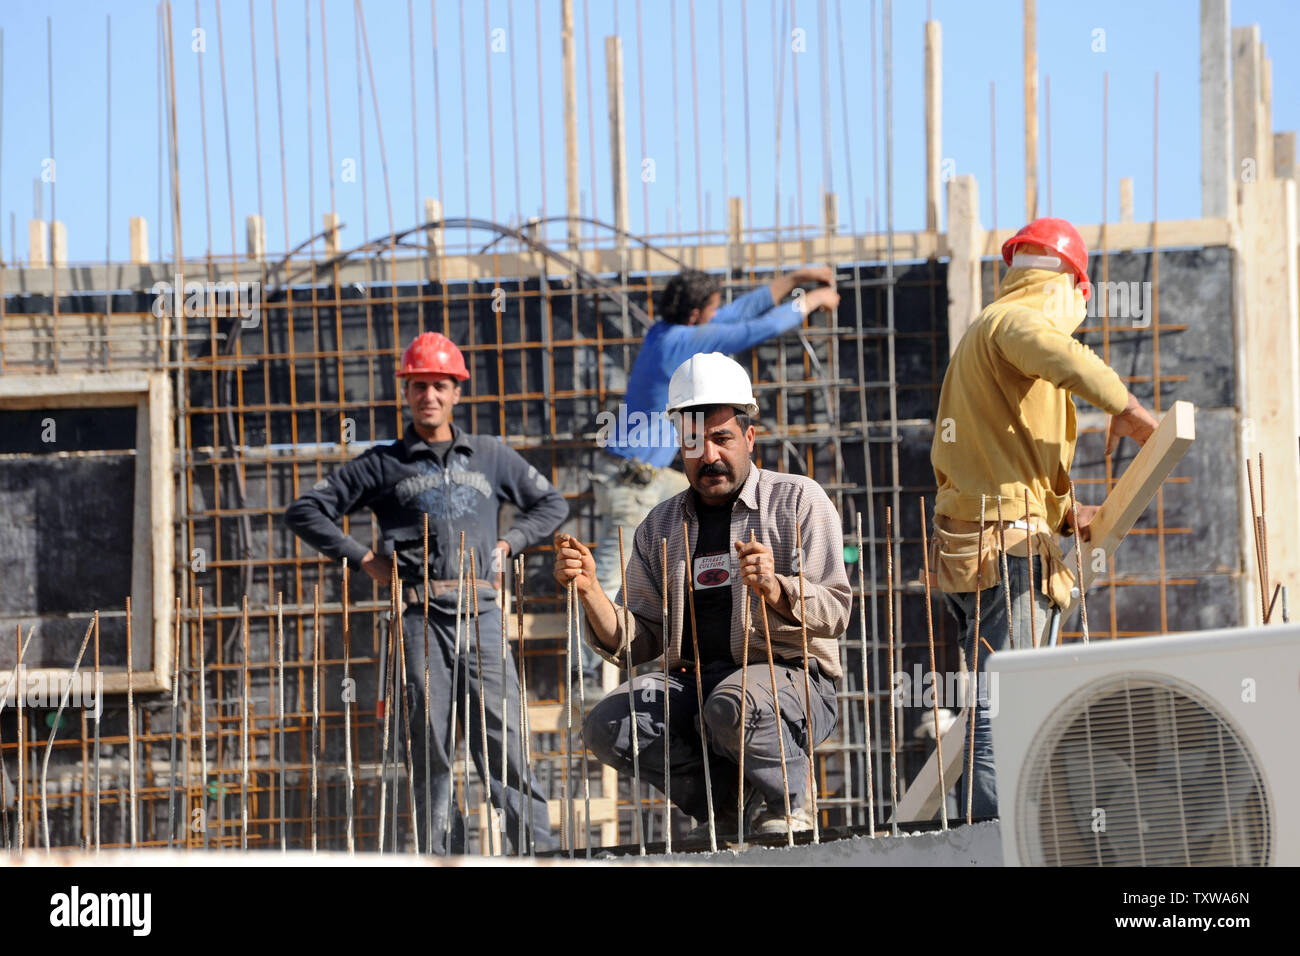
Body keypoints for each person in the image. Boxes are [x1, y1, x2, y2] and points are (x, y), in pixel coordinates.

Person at [285, 331, 567, 854]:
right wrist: (365, 560)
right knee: (430, 745)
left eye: (439, 385)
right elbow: (305, 510)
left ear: (457, 390)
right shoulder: (383, 463)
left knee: (503, 740)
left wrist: (509, 543)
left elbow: (551, 504)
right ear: (406, 392)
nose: (429, 396)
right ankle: (446, 858)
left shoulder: (490, 456)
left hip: (481, 613)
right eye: (418, 386)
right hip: (419, 618)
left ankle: (534, 853)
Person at [557, 352, 851, 837]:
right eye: (694, 442)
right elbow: (638, 642)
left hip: (792, 685)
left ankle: (786, 801)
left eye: (721, 439)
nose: (709, 455)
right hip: (694, 687)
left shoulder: (797, 500)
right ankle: (723, 808)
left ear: (749, 438)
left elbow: (837, 610)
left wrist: (778, 588)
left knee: (729, 703)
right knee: (608, 724)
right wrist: (590, 592)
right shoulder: (660, 526)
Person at [929, 217, 1159, 818]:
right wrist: (1128, 408)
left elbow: (1010, 456)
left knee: (996, 695)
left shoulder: (989, 336)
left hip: (977, 544)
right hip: (1003, 550)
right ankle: (993, 842)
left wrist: (1062, 517)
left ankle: (996, 833)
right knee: (1008, 703)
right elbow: (1062, 355)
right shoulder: (1017, 322)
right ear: (1073, 287)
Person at [585, 266, 841, 690]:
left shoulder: (669, 333)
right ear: (695, 316)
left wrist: (794, 278)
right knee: (610, 585)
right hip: (634, 482)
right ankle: (596, 680)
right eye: (712, 308)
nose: (719, 313)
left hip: (647, 476)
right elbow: (749, 330)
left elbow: (741, 311)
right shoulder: (679, 344)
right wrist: (810, 301)